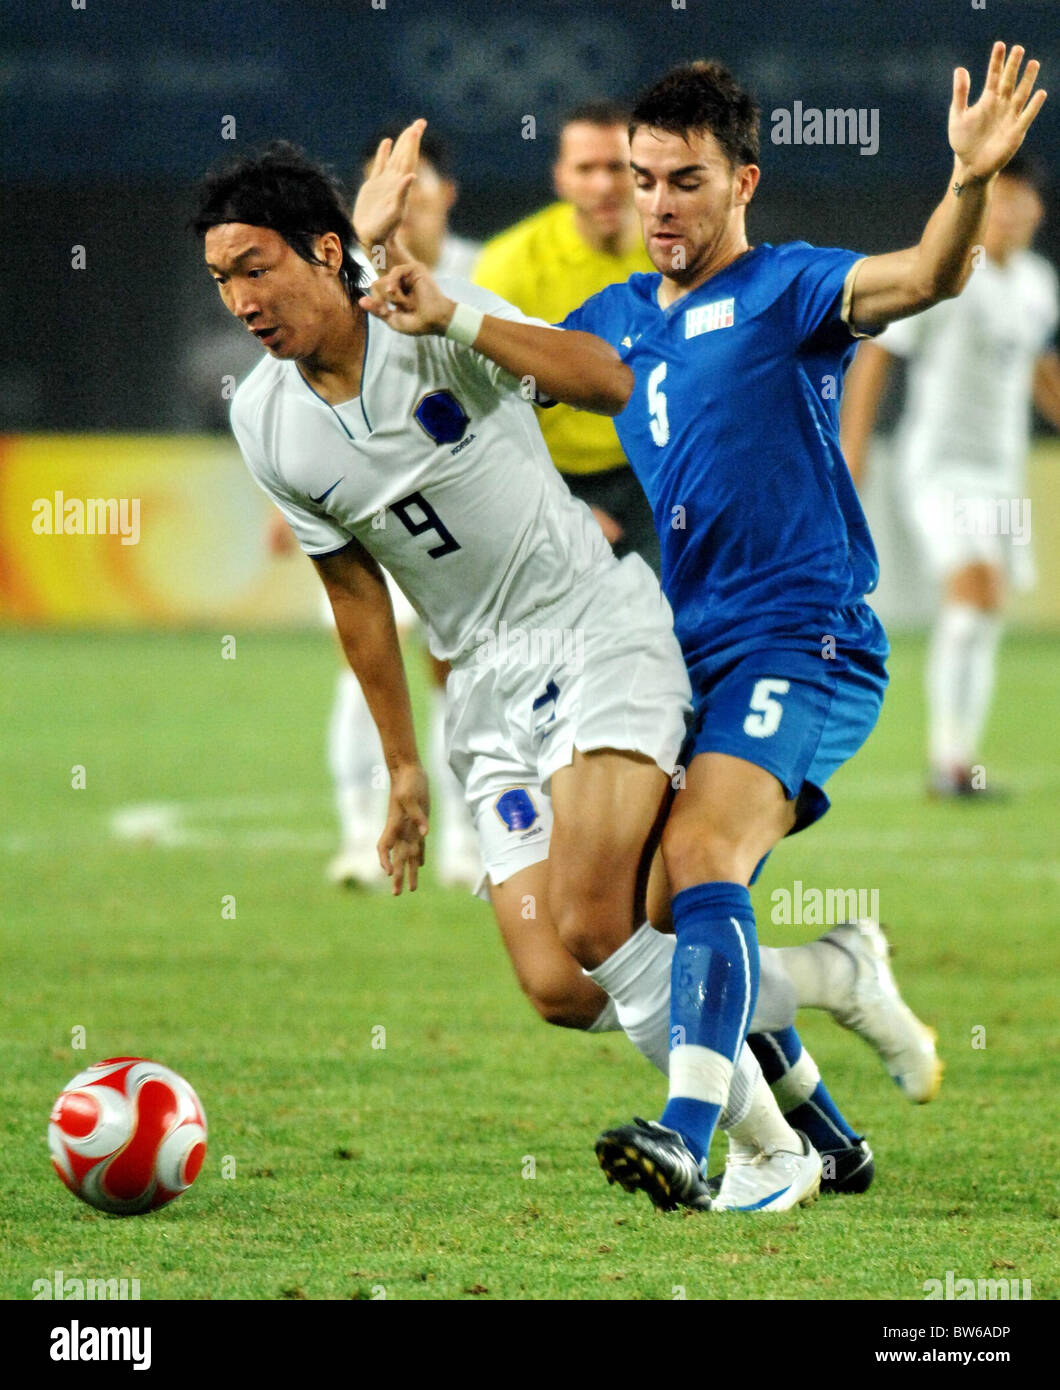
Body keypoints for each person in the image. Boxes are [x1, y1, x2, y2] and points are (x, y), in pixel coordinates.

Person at [361, 45, 1043, 1210]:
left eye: (684, 180)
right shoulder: (619, 316)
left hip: (804, 634)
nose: (658, 204)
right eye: (643, 179)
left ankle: (702, 1134)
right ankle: (825, 1100)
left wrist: (967, 181)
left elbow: (926, 276)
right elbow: (502, 352)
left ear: (744, 184)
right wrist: (398, 265)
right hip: (685, 644)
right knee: (642, 921)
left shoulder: (789, 290)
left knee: (697, 862)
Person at [192, 132, 826, 1213]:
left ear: (322, 251)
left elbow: (605, 375)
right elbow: (353, 594)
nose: (242, 300)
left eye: (256, 268)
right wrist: (401, 767)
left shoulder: (430, 322)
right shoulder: (264, 420)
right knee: (559, 983)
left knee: (594, 918)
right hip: (483, 685)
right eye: (221, 280)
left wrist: (453, 313)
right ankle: (825, 996)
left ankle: (770, 1153)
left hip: (591, 627)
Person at [267, 126, 483, 888]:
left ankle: (466, 842)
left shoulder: (482, 274)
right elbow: (294, 392)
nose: (399, 200)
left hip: (464, 510)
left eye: (413, 183)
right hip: (365, 508)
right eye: (378, 188)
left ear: (446, 193)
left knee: (459, 673)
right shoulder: (338, 287)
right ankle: (362, 836)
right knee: (366, 666)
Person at [841, 155, 1060, 797]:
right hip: (938, 467)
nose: (1015, 214)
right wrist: (852, 445)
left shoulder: (1038, 284)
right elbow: (878, 349)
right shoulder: (951, 274)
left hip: (1002, 474)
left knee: (985, 609)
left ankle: (960, 760)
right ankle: (949, 761)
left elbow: (1037, 366)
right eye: (1003, 200)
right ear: (984, 207)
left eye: (1025, 202)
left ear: (1038, 212)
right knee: (976, 591)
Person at [474, 102, 660, 572]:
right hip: (546, 480)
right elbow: (476, 405)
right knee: (557, 640)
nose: (603, 184)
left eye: (617, 167)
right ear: (561, 178)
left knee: (674, 634)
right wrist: (559, 505)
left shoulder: (677, 254)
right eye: (586, 168)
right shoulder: (508, 266)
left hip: (655, 476)